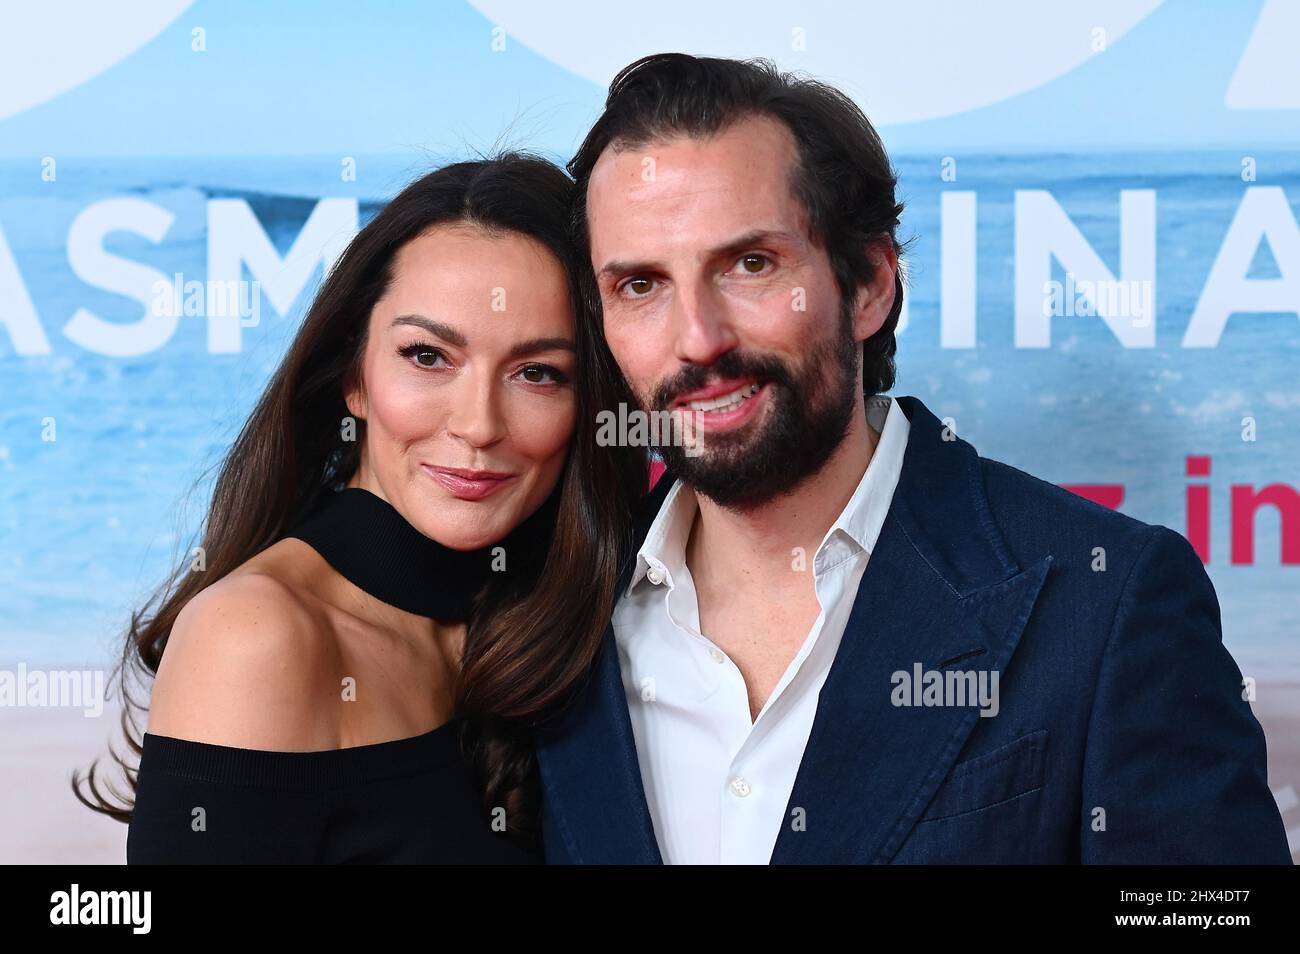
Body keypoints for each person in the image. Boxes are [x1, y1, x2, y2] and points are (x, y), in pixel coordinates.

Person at [533, 53, 1293, 864]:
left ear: (868, 284)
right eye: (640, 286)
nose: (698, 339)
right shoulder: (551, 614)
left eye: (750, 265)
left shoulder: (1109, 603)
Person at [71, 154, 644, 863]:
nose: (479, 424)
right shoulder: (258, 636)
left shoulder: (572, 620)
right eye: (428, 356)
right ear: (354, 378)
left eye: (538, 373)